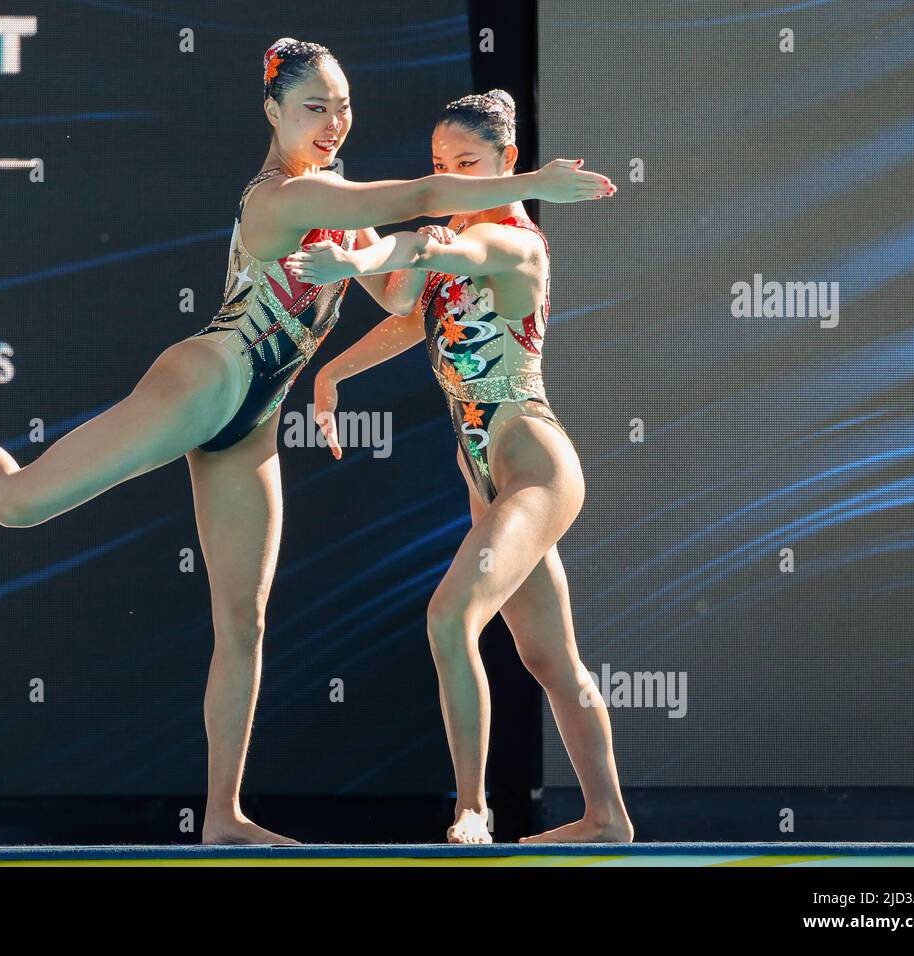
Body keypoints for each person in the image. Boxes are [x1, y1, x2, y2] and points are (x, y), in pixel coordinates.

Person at [0, 39, 615, 843]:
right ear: (274, 112)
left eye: (342, 105)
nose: (333, 121)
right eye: (313, 106)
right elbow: (416, 194)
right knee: (17, 502)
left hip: (255, 422)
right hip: (208, 379)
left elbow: (396, 287)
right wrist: (533, 185)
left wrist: (362, 329)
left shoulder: (335, 199)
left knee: (243, 621)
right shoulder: (277, 199)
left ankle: (222, 817)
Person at [287, 90, 632, 844]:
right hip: (486, 477)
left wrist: (360, 252)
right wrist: (332, 373)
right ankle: (607, 819)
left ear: (508, 165)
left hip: (534, 466)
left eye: (468, 165)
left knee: (450, 619)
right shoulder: (456, 239)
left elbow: (427, 251)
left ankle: (472, 808)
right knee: (549, 658)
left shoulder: (513, 244)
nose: (454, 179)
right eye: (442, 167)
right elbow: (409, 310)